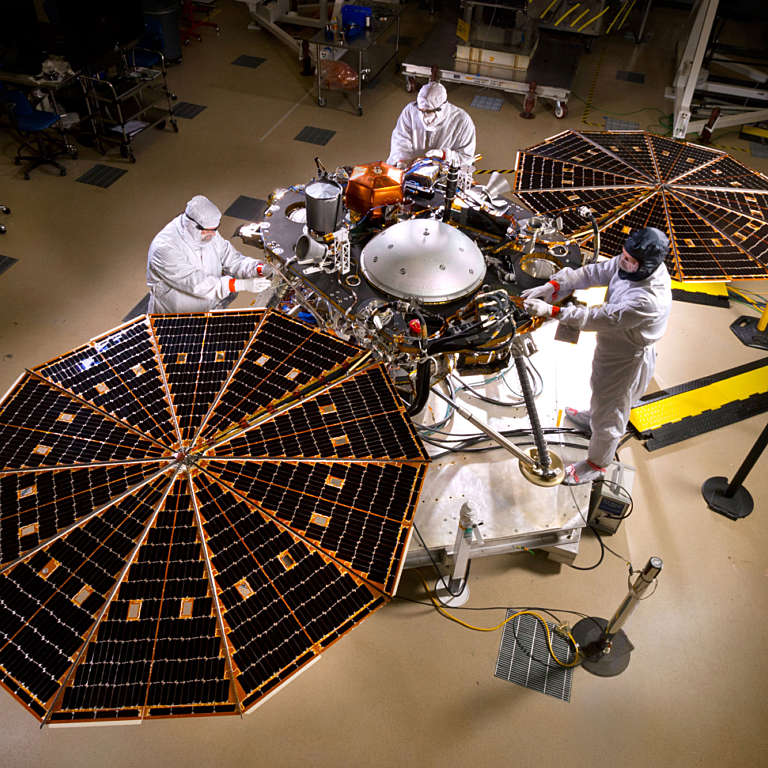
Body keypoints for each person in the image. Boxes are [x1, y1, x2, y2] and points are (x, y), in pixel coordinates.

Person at [522, 227, 673, 485]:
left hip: (627, 356)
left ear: (646, 265)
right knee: (600, 389)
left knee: (611, 410)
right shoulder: (633, 264)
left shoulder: (648, 299)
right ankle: (593, 419)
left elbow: (596, 318)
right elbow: (595, 272)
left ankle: (597, 463)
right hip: (613, 344)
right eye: (623, 255)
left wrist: (551, 310)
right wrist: (556, 284)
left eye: (629, 260)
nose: (622, 261)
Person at [147, 195, 273, 313]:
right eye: (208, 230)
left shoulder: (207, 232)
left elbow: (232, 259)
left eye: (215, 229)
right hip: (176, 317)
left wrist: (259, 268)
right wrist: (241, 284)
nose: (213, 235)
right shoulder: (165, 248)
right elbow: (196, 284)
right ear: (191, 224)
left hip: (208, 308)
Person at [387, 81, 476, 169]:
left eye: (428, 112)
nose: (424, 116)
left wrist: (444, 155)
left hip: (443, 172)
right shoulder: (411, 111)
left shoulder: (462, 121)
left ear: (442, 107)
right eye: (421, 110)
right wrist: (402, 161)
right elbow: (400, 140)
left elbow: (466, 158)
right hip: (411, 168)